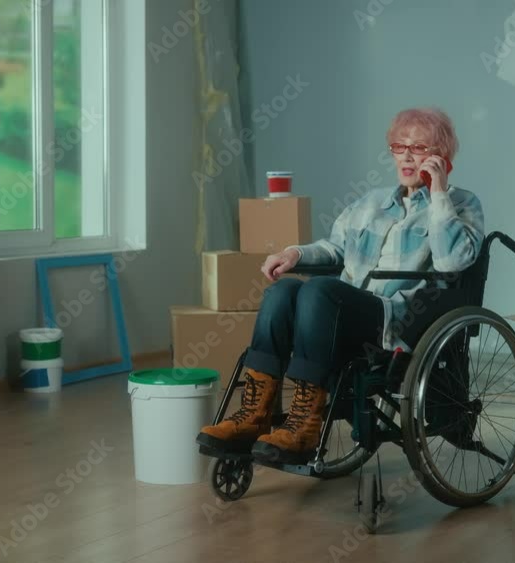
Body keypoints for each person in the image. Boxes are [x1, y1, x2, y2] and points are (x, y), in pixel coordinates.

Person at [196, 107, 485, 463]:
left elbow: (452, 262)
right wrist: (294, 254)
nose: (407, 156)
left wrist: (438, 193)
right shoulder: (370, 203)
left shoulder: (461, 203)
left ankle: (304, 423)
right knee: (283, 291)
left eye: (420, 147)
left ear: (441, 156)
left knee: (319, 291)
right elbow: (335, 250)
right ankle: (253, 417)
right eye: (399, 146)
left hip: (395, 319)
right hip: (340, 311)